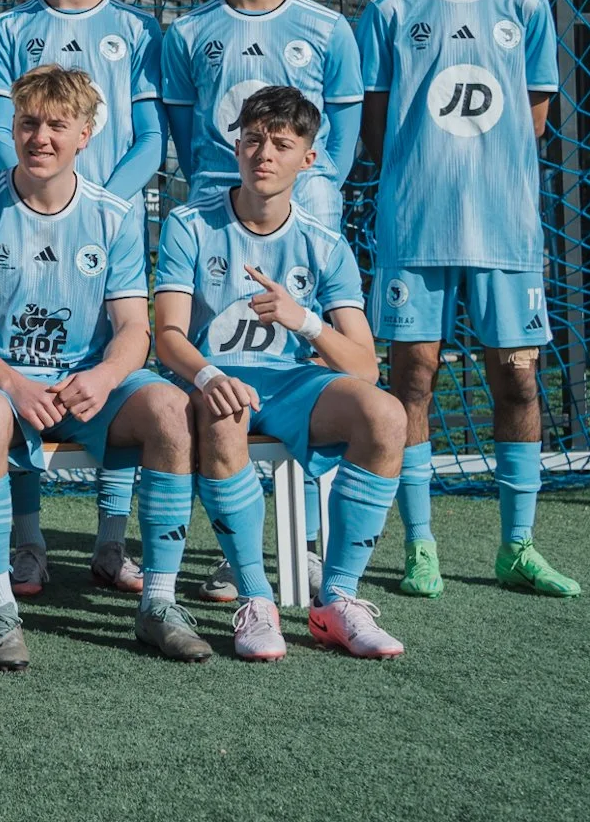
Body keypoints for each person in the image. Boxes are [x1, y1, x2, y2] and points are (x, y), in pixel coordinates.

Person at [358, 0, 578, 598]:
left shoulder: (526, 8)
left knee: (517, 382)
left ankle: (517, 547)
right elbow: (379, 131)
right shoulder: (389, 12)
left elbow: (534, 120)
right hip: (415, 232)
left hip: (505, 233)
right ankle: (421, 546)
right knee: (411, 383)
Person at [0, 66, 204, 667]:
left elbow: (136, 327)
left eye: (58, 125)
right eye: (28, 123)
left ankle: (158, 605)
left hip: (87, 378)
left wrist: (105, 377)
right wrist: (11, 381)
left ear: (86, 134)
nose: (41, 138)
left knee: (168, 408)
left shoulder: (115, 214)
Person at [154, 86, 409, 659]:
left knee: (387, 415)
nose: (263, 154)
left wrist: (306, 322)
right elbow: (167, 335)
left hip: (292, 384)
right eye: (252, 140)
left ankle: (338, 599)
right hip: (211, 380)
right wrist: (209, 377)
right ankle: (257, 600)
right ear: (236, 147)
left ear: (308, 159)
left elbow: (364, 366)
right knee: (225, 414)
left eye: (281, 144)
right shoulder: (190, 224)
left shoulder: (325, 244)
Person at [162, 0, 362, 602]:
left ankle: (305, 541)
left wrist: (310, 197)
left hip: (300, 216)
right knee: (224, 361)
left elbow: (343, 133)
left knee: (315, 365)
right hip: (223, 215)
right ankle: (233, 547)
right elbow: (187, 138)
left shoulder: (328, 28)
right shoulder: (187, 33)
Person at [0, 0, 164, 597]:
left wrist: (95, 206)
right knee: (20, 360)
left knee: (102, 368)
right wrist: (36, 201)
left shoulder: (140, 30)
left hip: (103, 234)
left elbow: (151, 139)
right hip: (21, 225)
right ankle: (26, 543)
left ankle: (111, 544)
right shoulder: (8, 30)